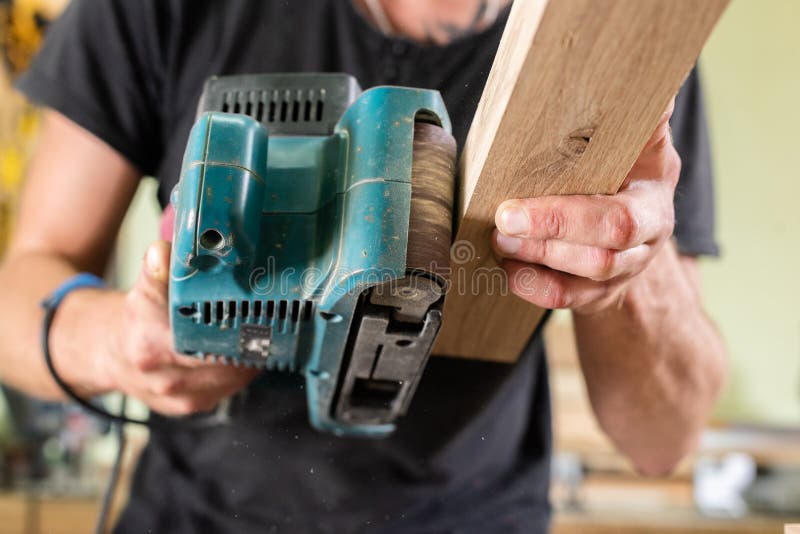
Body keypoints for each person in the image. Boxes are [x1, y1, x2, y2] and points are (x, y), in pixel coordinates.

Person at [1, 1, 727, 532]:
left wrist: (635, 265)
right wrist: (119, 346)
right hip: (194, 517)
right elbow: (18, 295)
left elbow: (662, 441)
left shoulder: (618, 38)